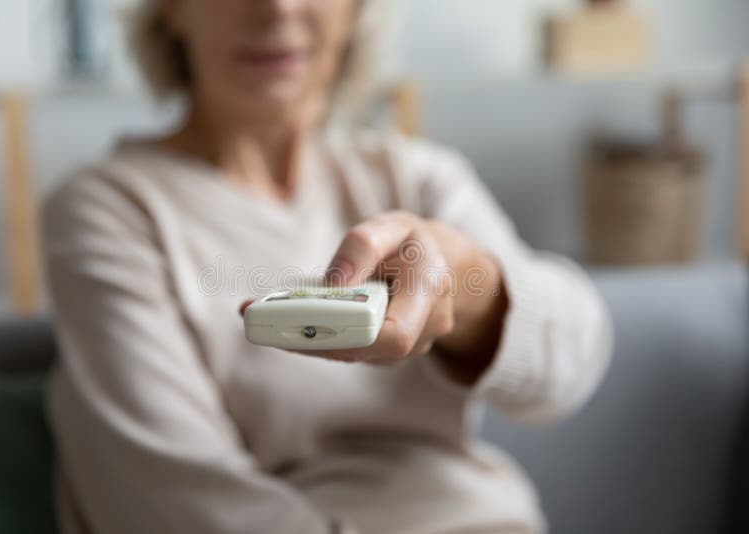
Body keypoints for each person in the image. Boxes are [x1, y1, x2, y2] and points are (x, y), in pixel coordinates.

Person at [40, 1, 612, 533]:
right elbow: (177, 497)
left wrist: (469, 293)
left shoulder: (413, 177)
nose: (278, 8)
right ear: (172, 9)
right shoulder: (109, 208)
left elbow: (572, 365)